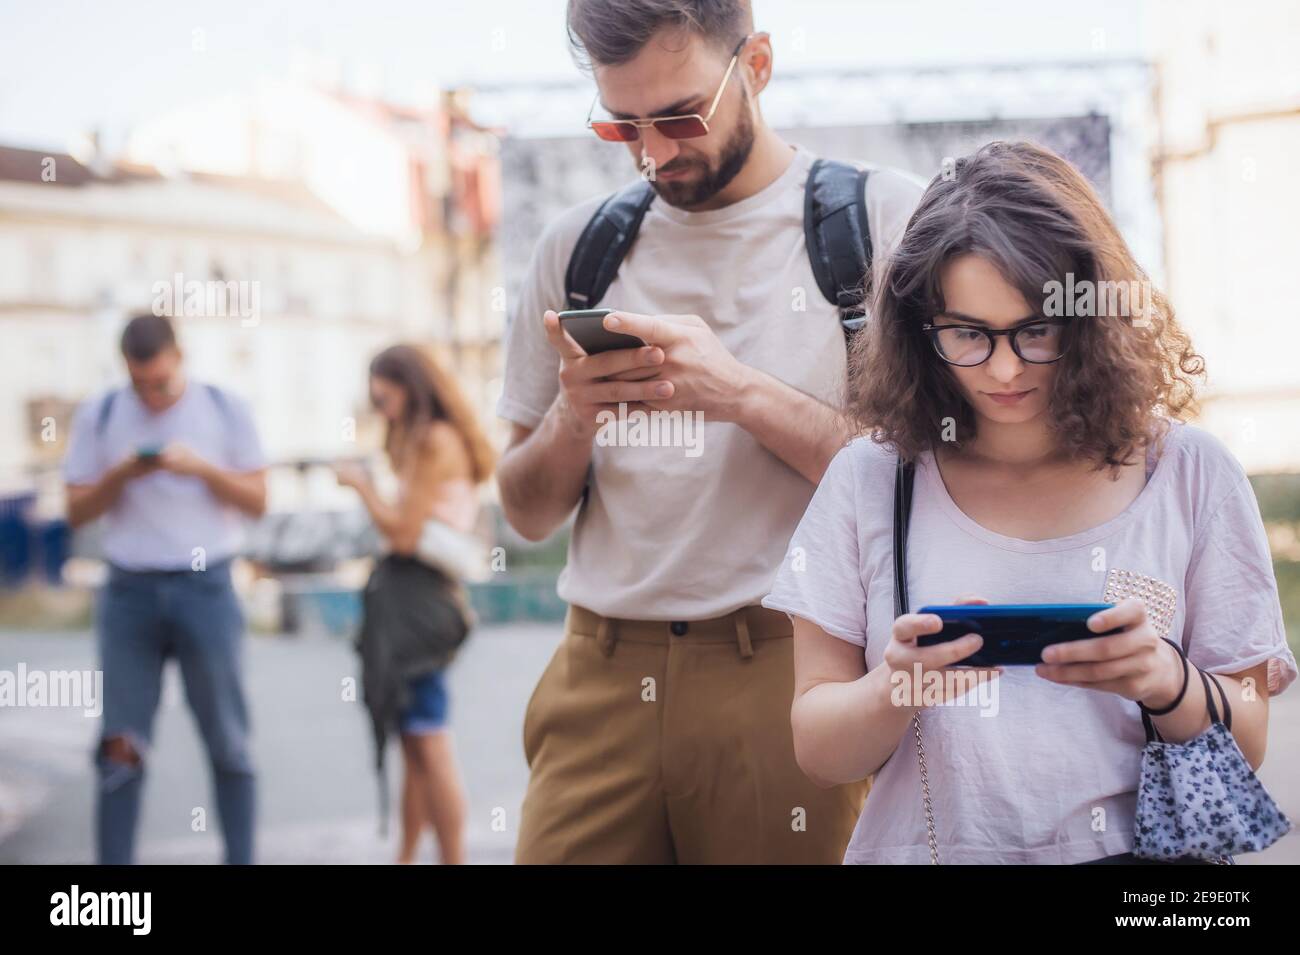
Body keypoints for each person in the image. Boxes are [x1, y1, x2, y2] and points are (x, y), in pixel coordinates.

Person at [764, 140, 1298, 864]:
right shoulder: (871, 478)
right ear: (922, 329)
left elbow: (1252, 733)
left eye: (1036, 330)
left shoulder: (1189, 471)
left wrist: (1167, 680)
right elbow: (817, 747)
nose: (1006, 367)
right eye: (969, 334)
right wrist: (895, 688)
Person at [497, 0, 923, 863]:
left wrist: (739, 393)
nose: (655, 151)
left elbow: (934, 483)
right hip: (598, 670)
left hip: (788, 664)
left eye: (680, 116)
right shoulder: (574, 248)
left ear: (756, 65)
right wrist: (575, 413)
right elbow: (524, 511)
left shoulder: (882, 222)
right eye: (623, 127)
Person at [64, 313, 268, 865]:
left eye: (161, 383)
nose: (151, 396)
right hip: (129, 590)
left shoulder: (225, 409)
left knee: (228, 742)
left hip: (208, 587)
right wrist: (122, 475)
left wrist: (202, 469)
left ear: (181, 359)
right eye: (139, 385)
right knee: (121, 747)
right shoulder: (101, 414)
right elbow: (76, 511)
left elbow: (257, 501)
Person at [335, 344, 495, 865]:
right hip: (415, 596)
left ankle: (453, 859)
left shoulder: (436, 440)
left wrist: (362, 487)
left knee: (430, 742)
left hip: (421, 599)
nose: (380, 409)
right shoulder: (427, 437)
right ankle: (407, 857)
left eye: (384, 397)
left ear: (410, 387)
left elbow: (404, 535)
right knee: (414, 744)